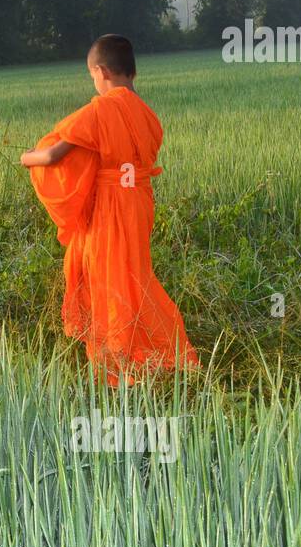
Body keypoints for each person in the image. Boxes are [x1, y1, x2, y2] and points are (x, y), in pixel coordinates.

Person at [20, 33, 196, 383]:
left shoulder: (101, 109)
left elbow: (56, 155)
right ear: (131, 71)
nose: (94, 84)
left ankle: (119, 352)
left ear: (101, 71)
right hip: (140, 203)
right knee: (134, 274)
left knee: (106, 276)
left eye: (92, 77)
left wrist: (27, 158)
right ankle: (142, 345)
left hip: (111, 206)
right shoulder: (148, 115)